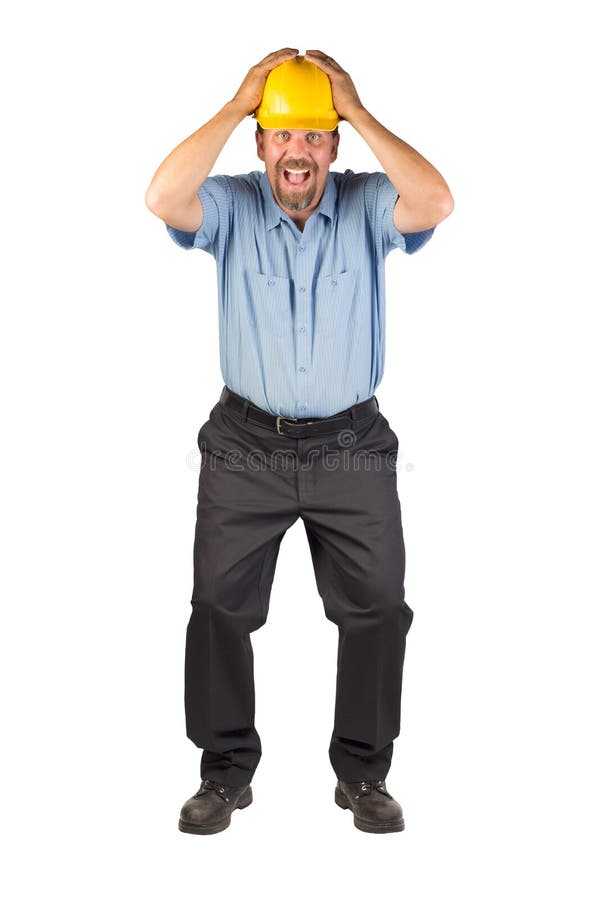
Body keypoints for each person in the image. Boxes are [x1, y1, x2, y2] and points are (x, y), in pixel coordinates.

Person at [145, 47, 453, 835]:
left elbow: (438, 200)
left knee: (379, 607)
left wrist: (356, 109)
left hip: (351, 447)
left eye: (315, 136)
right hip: (245, 446)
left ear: (334, 143)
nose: (299, 152)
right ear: (261, 144)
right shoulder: (233, 206)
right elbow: (162, 195)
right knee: (217, 605)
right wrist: (237, 101)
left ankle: (361, 774)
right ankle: (224, 775)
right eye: (284, 135)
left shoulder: (367, 203)